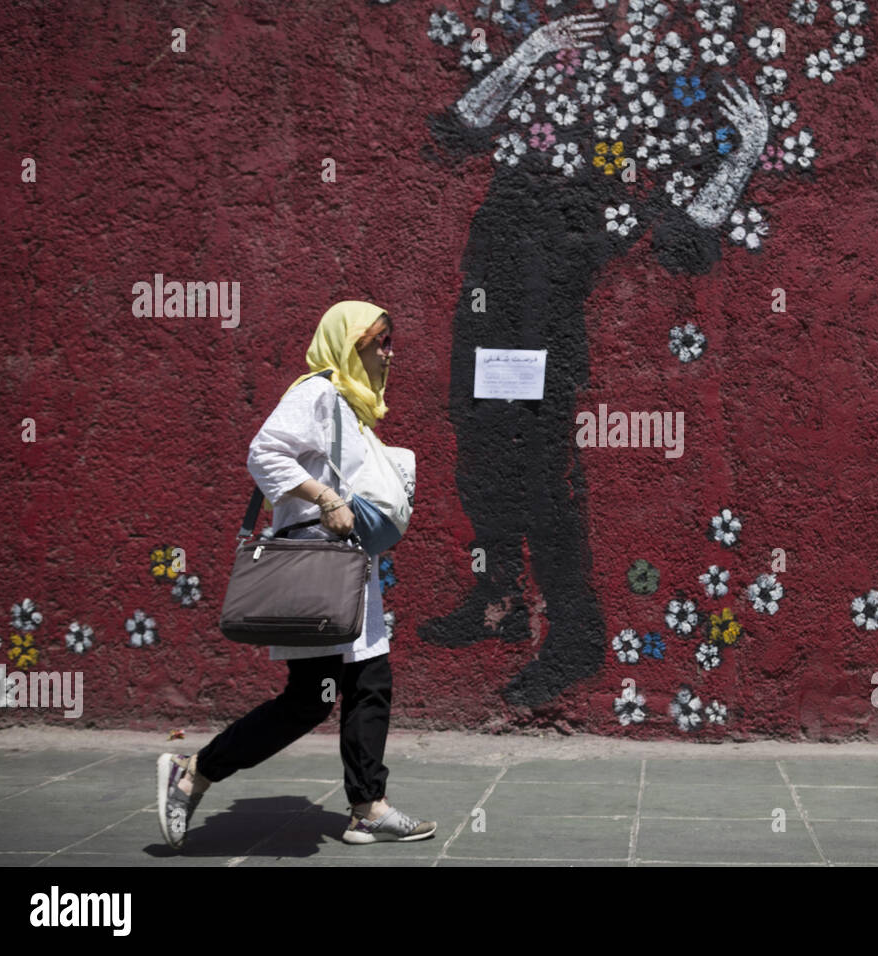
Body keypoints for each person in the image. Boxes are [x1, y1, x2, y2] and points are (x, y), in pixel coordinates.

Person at [418, 7, 769, 708]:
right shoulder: (545, 102)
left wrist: (744, 150)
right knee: (482, 457)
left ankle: (575, 634)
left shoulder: (654, 139)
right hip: (487, 308)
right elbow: (455, 132)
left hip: (546, 331)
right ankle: (498, 601)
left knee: (546, 481)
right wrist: (529, 55)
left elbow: (686, 241)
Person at [157, 301, 436, 849]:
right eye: (380, 341)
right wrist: (327, 496)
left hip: (347, 566)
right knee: (312, 698)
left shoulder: (352, 405)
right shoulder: (317, 392)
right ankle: (194, 772)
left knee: (367, 683)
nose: (390, 351)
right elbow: (264, 453)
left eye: (390, 341)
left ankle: (367, 808)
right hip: (318, 565)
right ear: (349, 343)